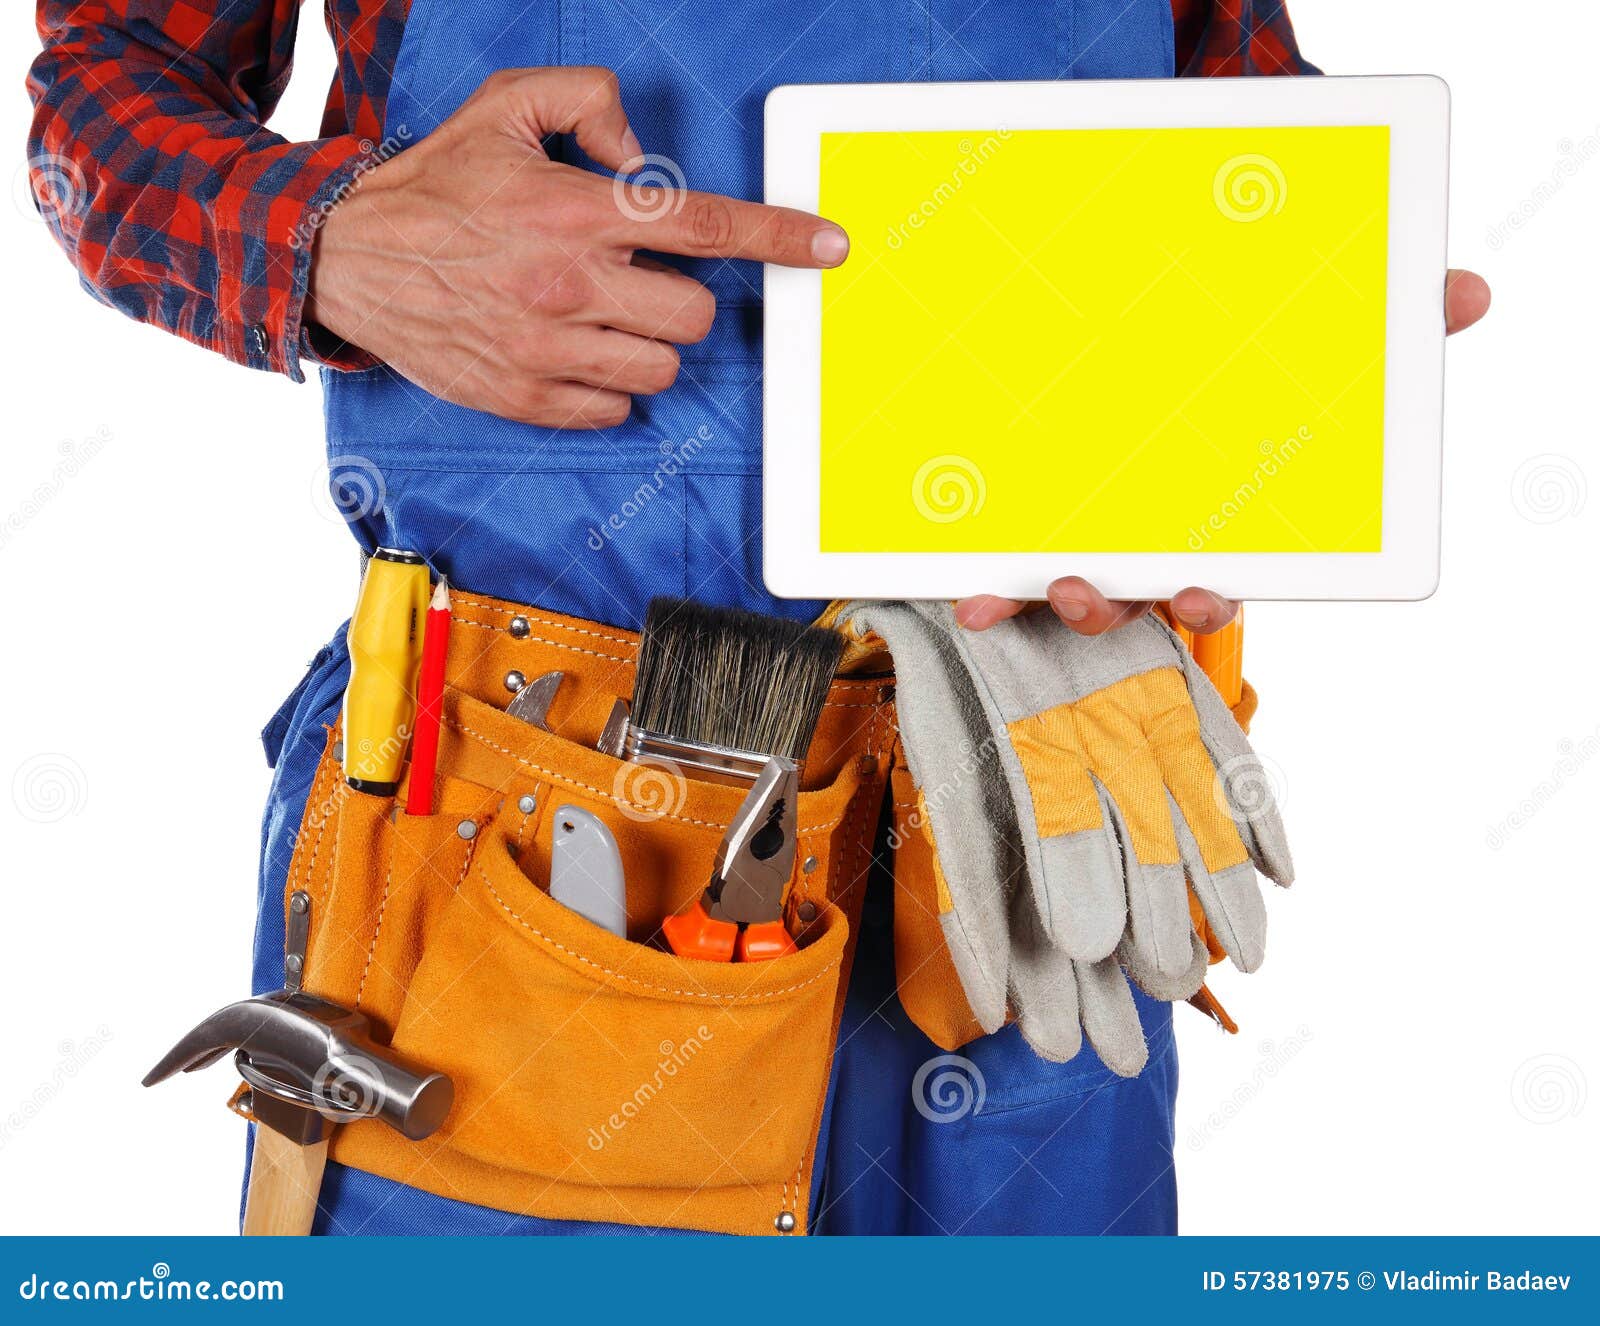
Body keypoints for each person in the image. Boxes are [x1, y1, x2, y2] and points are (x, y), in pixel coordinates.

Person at [29, 0, 1489, 1236]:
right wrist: (327, 241)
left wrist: (1274, 311)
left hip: (1042, 810)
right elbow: (101, 102)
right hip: (517, 856)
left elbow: (1219, 104)